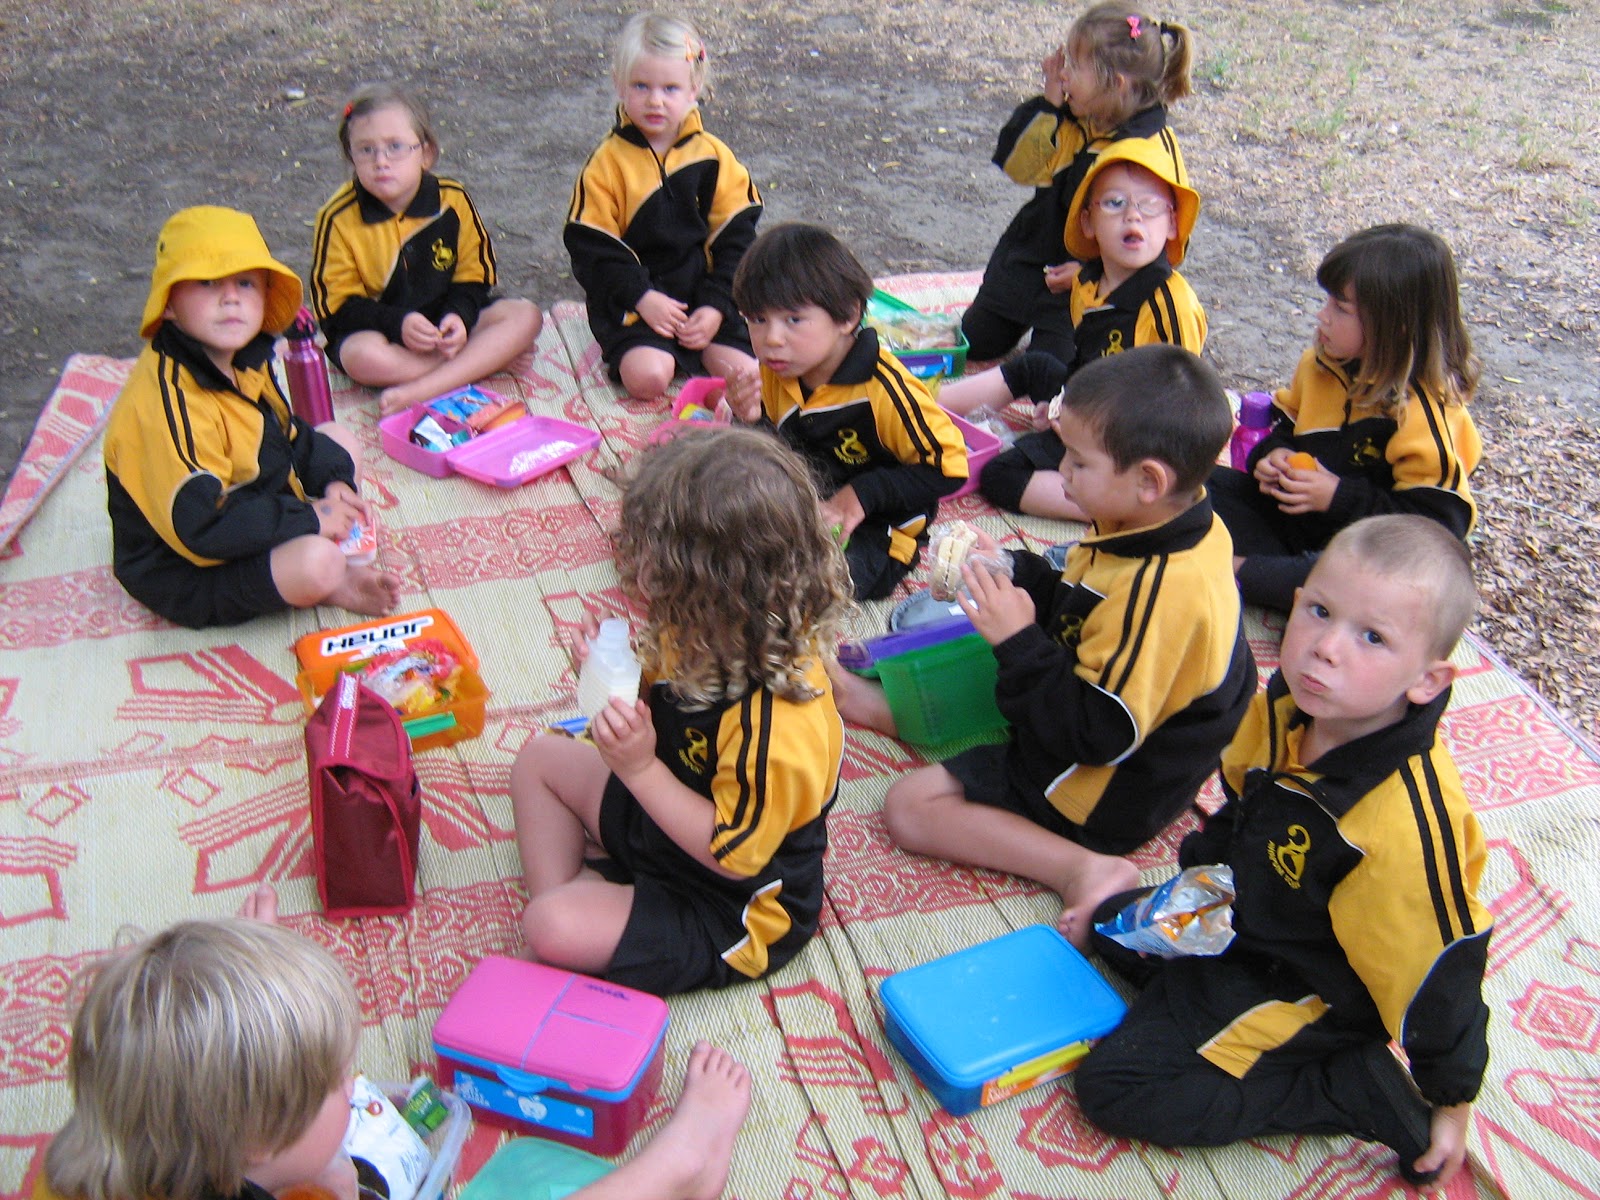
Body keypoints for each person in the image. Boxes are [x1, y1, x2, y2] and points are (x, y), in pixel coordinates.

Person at [1075, 515, 1491, 1193]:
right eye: (1321, 611)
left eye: (1372, 638)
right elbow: (1242, 806)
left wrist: (1451, 1096)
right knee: (1110, 927)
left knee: (1116, 1088)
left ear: (1427, 679)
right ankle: (1200, 1005)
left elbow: (1439, 974)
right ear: (1295, 602)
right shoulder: (1288, 704)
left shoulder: (1401, 824)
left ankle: (1341, 1084)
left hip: (1315, 985)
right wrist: (1194, 892)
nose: (1325, 648)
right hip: (1252, 915)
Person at [834, 345, 1255, 946]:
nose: (1061, 475)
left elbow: (1099, 736)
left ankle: (1081, 867)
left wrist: (1020, 644)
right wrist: (1011, 566)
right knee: (992, 621)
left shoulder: (1164, 595)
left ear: (1147, 480)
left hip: (1108, 785)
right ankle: (889, 703)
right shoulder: (1156, 523)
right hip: (1097, 701)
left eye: (1078, 463)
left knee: (910, 807)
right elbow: (1079, 590)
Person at [37, 886, 757, 1200]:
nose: (355, 1087)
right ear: (253, 1139)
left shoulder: (105, 1139)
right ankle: (680, 1164)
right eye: (334, 1083)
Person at [510, 428, 853, 995]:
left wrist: (639, 769)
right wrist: (608, 678)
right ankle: (576, 899)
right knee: (539, 760)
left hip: (730, 901)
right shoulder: (698, 627)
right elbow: (653, 700)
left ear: (719, 592)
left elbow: (733, 857)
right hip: (661, 820)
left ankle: (577, 922)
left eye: (658, 576)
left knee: (550, 926)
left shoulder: (781, 723)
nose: (640, 582)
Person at [104, 205, 400, 629]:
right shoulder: (165, 403)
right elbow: (201, 528)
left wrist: (334, 483)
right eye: (208, 283)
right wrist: (312, 518)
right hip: (186, 564)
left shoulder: (242, 356)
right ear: (168, 304)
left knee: (338, 440)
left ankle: (319, 544)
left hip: (247, 500)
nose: (231, 298)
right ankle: (332, 583)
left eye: (246, 283)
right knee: (319, 563)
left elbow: (287, 433)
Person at [1208, 224, 1483, 611]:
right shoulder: (1321, 367)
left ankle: (1227, 570)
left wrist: (1336, 497)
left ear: (1393, 327)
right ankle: (1246, 570)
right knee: (1197, 480)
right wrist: (1271, 458)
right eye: (1327, 302)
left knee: (1342, 580)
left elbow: (1433, 535)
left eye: (1340, 308)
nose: (1322, 316)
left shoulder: (1425, 411)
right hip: (1293, 531)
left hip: (1367, 563)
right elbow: (1287, 430)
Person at [942, 138, 1205, 522]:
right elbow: (1088, 362)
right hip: (1094, 403)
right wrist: (1064, 401)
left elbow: (1177, 410)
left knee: (1002, 474)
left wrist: (1077, 427)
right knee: (1036, 365)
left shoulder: (1169, 305)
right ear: (1088, 221)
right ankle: (926, 407)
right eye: (1115, 203)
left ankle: (1126, 509)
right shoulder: (1088, 282)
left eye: (1150, 206)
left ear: (1172, 224)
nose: (1133, 217)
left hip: (1130, 440)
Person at [725, 222, 969, 601]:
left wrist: (860, 495)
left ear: (847, 317)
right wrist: (752, 418)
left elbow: (949, 469)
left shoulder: (885, 389)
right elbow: (779, 455)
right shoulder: (776, 371)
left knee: (804, 588)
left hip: (879, 528)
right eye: (757, 320)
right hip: (805, 501)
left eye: (793, 319)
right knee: (715, 526)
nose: (771, 339)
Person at [961, 0, 1194, 363]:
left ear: (1113, 84)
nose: (1063, 73)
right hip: (1029, 259)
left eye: (1074, 66)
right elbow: (1018, 167)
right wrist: (1048, 105)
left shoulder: (1150, 151)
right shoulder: (1071, 119)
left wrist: (1093, 273)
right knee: (973, 343)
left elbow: (1162, 240)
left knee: (1046, 371)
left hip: (1083, 286)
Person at [310, 83, 542, 416]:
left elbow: (475, 275)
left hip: (445, 327)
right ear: (351, 157)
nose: (381, 162)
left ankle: (423, 387)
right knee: (362, 357)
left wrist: (458, 318)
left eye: (395, 147)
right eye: (365, 150)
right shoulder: (338, 217)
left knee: (526, 315)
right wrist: (397, 322)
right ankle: (481, 362)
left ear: (426, 153)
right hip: (384, 334)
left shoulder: (452, 199)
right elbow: (336, 307)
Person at [565, 12, 761, 402]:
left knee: (749, 375)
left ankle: (702, 353)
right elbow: (592, 249)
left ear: (694, 89)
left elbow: (738, 241)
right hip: (637, 303)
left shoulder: (715, 157)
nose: (655, 100)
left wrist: (716, 307)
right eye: (641, 86)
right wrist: (643, 297)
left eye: (670, 88)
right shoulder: (606, 164)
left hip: (702, 297)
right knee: (648, 379)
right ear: (620, 86)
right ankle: (663, 357)